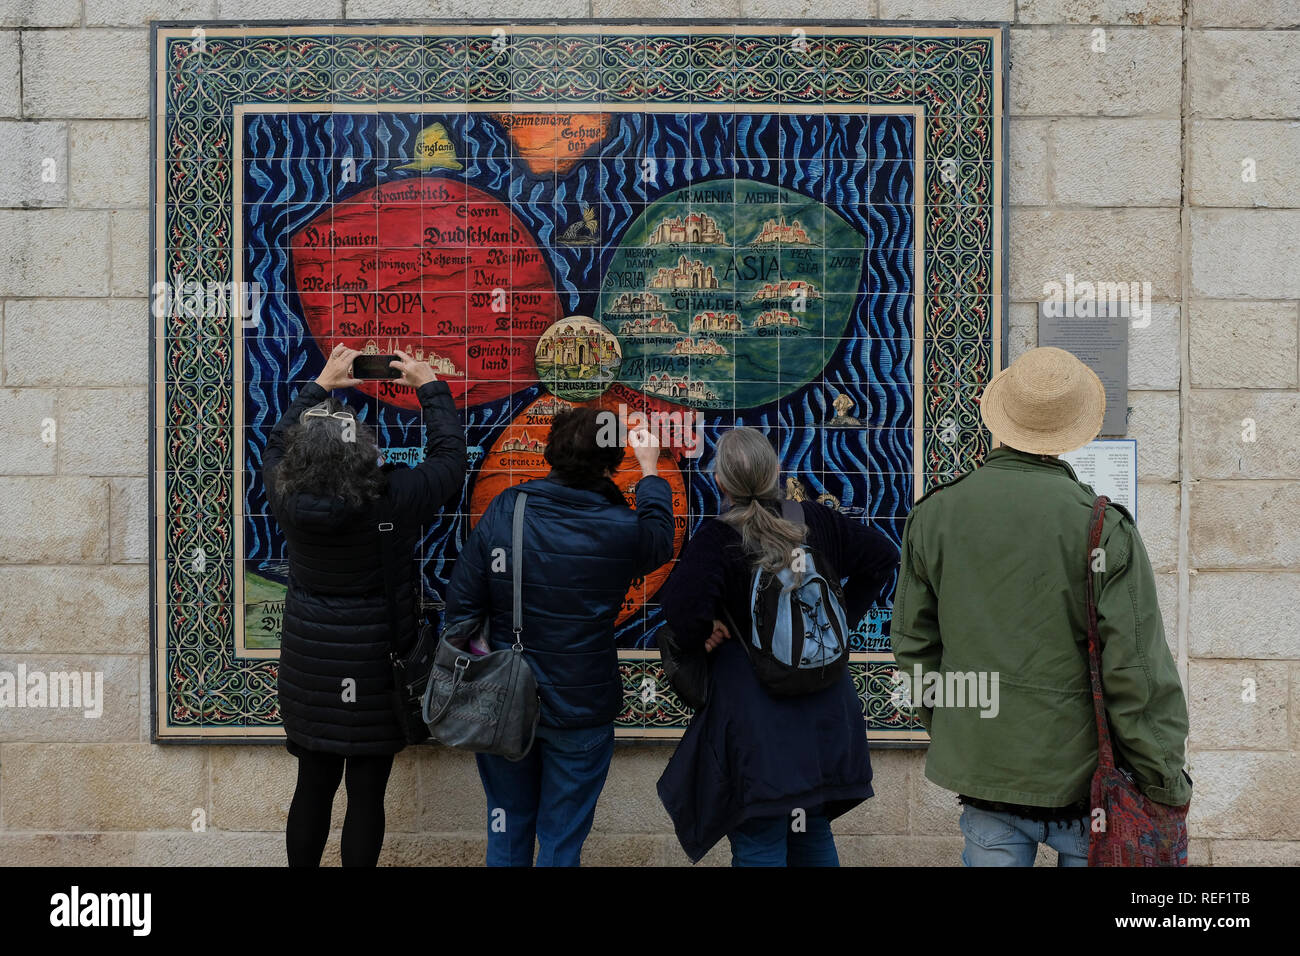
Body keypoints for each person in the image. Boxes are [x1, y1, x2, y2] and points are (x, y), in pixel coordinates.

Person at [891, 346, 1192, 867]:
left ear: (1002, 419)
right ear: (1073, 431)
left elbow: (915, 649)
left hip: (985, 772)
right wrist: (1163, 776)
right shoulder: (1102, 528)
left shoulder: (935, 515)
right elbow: (1137, 673)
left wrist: (959, 731)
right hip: (1082, 783)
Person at [656, 426, 898, 866]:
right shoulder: (813, 519)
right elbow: (883, 556)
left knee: (760, 839)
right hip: (826, 713)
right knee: (811, 830)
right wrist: (840, 620)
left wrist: (705, 629)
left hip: (757, 722)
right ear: (775, 473)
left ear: (721, 482)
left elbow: (681, 613)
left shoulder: (718, 538)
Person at [263, 343, 466, 867]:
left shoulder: (285, 495)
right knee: (366, 796)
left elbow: (275, 442)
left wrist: (320, 386)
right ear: (365, 454)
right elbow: (448, 461)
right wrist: (430, 388)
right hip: (377, 665)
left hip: (310, 667)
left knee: (312, 785)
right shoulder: (392, 498)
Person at [444, 407, 675, 866]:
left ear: (552, 452)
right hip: (581, 708)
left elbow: (462, 605)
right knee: (562, 842)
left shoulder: (509, 507)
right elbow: (659, 539)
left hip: (504, 700)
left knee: (506, 829)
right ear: (612, 461)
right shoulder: (624, 528)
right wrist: (650, 469)